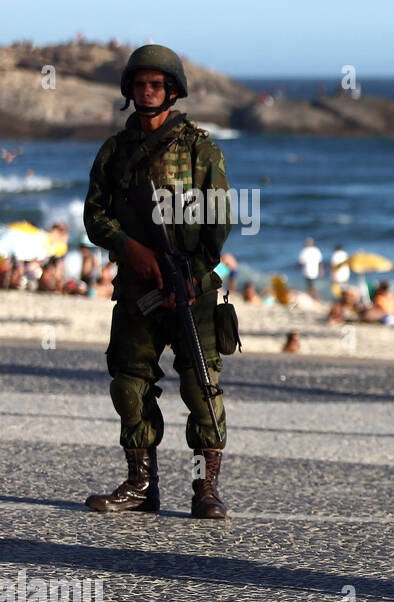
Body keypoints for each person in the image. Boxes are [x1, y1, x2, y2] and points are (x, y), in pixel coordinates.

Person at [82, 44, 235, 519]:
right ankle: (140, 485)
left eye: (156, 84)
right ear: (129, 89)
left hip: (192, 291)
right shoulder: (114, 152)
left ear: (172, 90)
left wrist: (190, 273)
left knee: (201, 390)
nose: (148, 91)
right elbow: (95, 216)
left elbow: (219, 220)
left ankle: (204, 488)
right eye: (140, 84)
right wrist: (132, 250)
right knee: (129, 385)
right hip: (136, 289)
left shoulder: (199, 148)